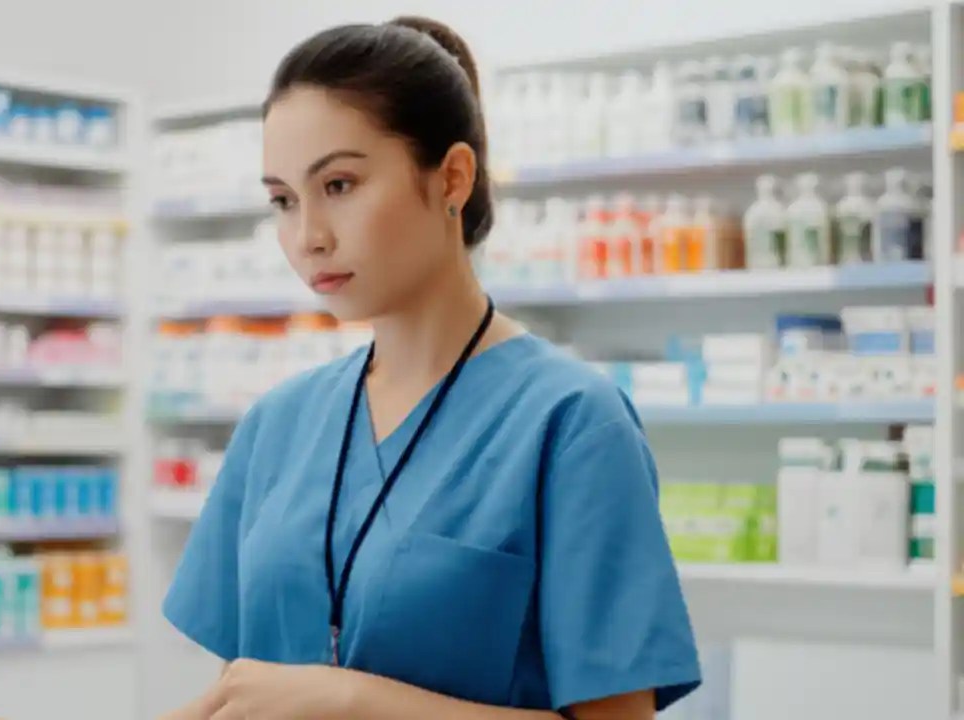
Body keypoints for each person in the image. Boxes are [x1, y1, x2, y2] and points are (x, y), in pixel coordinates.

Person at [162, 16, 701, 720]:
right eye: (283, 200)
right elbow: (240, 699)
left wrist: (354, 701)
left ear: (452, 177)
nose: (308, 237)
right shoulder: (278, 424)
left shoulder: (570, 422)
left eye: (341, 185)